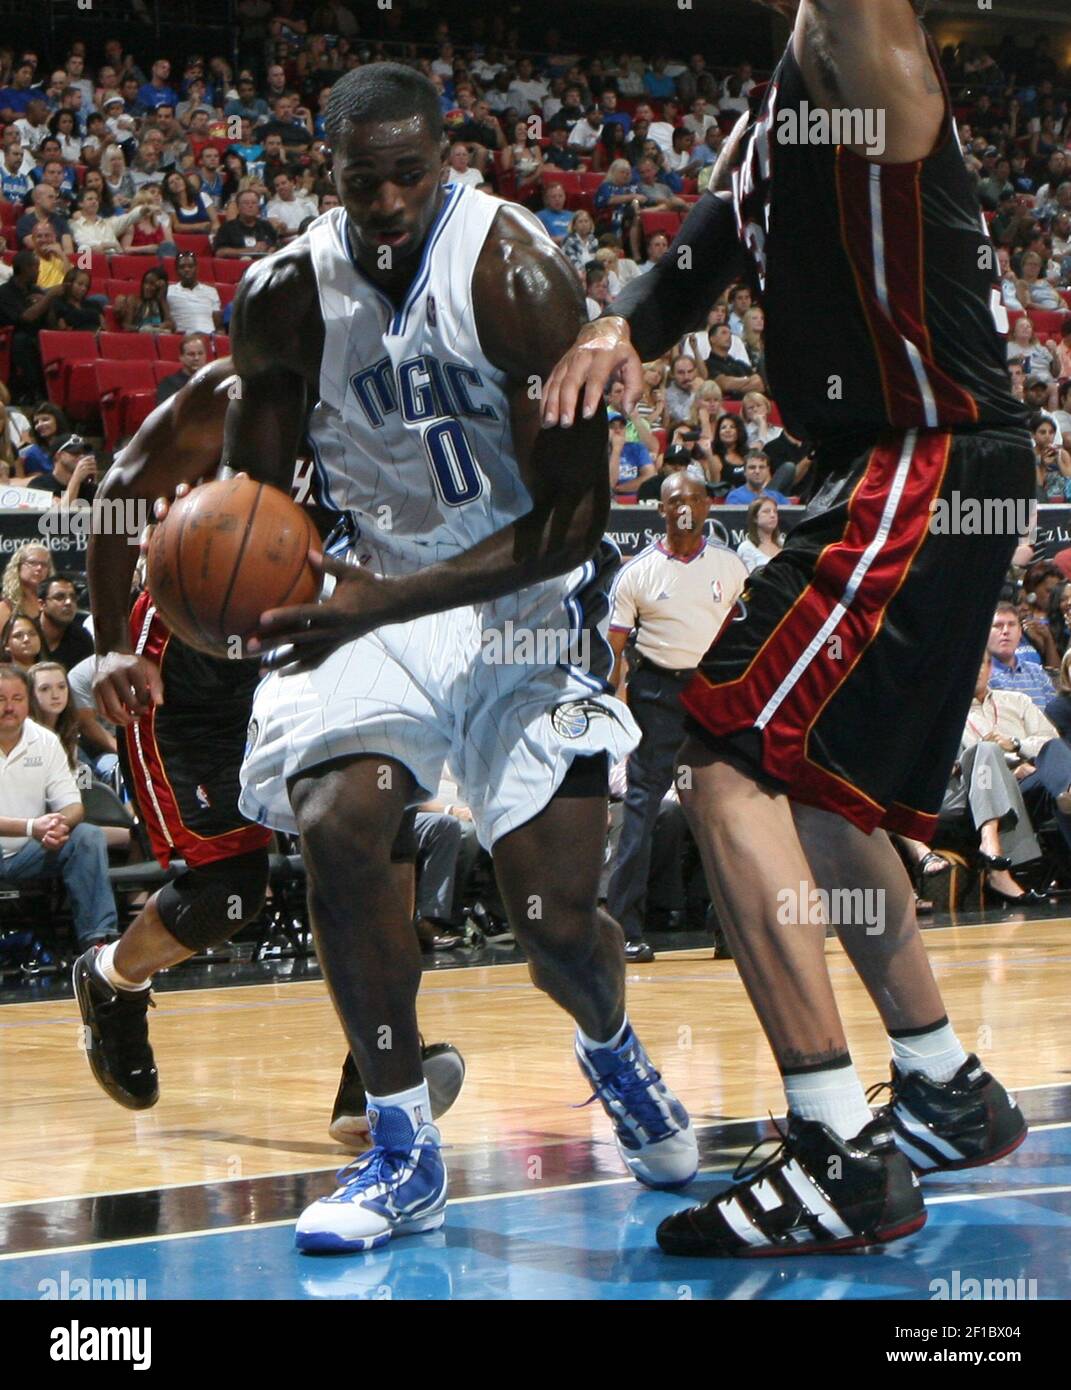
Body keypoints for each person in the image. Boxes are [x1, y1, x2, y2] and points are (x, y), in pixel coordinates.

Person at [542, 0, 1030, 1257]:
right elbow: (701, 256)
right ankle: (939, 1082)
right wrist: (619, 326)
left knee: (721, 755)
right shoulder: (778, 107)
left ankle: (833, 1149)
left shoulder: (855, 46)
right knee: (816, 788)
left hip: (919, 457)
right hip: (896, 467)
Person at [202, 63, 696, 1252]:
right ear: (327, 172)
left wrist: (389, 597)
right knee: (337, 820)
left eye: (409, 178)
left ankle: (612, 1051)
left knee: (558, 929)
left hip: (518, 601)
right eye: (362, 181)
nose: (385, 203)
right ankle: (399, 1143)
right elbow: (246, 507)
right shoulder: (282, 299)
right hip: (371, 595)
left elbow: (575, 523)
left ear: (445, 163)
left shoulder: (516, 276)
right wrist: (167, 640)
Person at [85, 358, 467, 1134]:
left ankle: (375, 1076)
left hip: (318, 657)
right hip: (185, 680)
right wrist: (111, 644)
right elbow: (118, 495)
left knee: (378, 851)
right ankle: (111, 979)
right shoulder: (234, 391)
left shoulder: (409, 412)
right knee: (230, 894)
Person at [606, 472, 746, 960]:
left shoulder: (732, 567)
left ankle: (728, 926)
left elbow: (743, 638)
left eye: (692, 498)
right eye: (674, 500)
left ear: (708, 506)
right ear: (660, 510)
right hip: (657, 693)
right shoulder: (637, 572)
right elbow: (613, 652)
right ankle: (623, 927)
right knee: (641, 810)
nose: (684, 507)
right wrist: (614, 708)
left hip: (712, 692)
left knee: (725, 811)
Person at [0, 664, 118, 949]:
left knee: (86, 836)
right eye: (0, 699)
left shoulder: (45, 741)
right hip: (24, 836)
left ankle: (97, 943)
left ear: (28, 702)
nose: (9, 707)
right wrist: (32, 827)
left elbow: (73, 805)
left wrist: (58, 826)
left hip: (29, 849)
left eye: (17, 699)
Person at [28, 659, 81, 770]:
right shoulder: (24, 735)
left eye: (61, 687)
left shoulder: (69, 730)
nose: (55, 695)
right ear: (30, 693)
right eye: (45, 689)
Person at [37, 573, 93, 671]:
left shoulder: (82, 639)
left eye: (73, 597)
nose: (68, 602)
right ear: (42, 604)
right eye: (59, 597)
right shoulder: (27, 633)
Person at [166, 252, 222, 336]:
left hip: (208, 336)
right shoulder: (168, 291)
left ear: (196, 268)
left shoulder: (211, 291)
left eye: (190, 266)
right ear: (177, 270)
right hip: (183, 338)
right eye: (182, 267)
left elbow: (217, 323)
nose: (186, 269)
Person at [213, 187, 279, 258]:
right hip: (236, 265)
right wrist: (251, 250)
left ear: (258, 207)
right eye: (246, 203)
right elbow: (220, 252)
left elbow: (276, 245)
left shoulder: (266, 225)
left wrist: (271, 249)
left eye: (254, 203)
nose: (250, 206)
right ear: (238, 207)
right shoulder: (227, 227)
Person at [0, 543, 53, 629]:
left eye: (44, 564)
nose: (39, 568)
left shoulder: (52, 602)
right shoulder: (5, 608)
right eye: (32, 563)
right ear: (18, 566)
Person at [119, 266, 175, 334]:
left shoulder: (161, 302)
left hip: (156, 339)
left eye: (152, 284)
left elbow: (171, 325)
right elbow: (126, 326)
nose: (147, 287)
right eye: (145, 282)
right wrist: (141, 329)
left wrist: (162, 298)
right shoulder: (133, 300)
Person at [155, 333, 208, 404]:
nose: (196, 358)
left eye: (200, 353)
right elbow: (167, 413)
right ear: (181, 358)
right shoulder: (169, 383)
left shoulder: (212, 380)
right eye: (191, 354)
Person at [723, 452, 791, 506]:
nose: (757, 471)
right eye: (752, 467)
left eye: (761, 467)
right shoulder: (735, 497)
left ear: (768, 471)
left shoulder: (778, 497)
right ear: (744, 472)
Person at [737, 496, 784, 573]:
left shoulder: (784, 544)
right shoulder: (746, 548)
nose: (773, 515)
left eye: (775, 511)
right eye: (766, 511)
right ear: (755, 518)